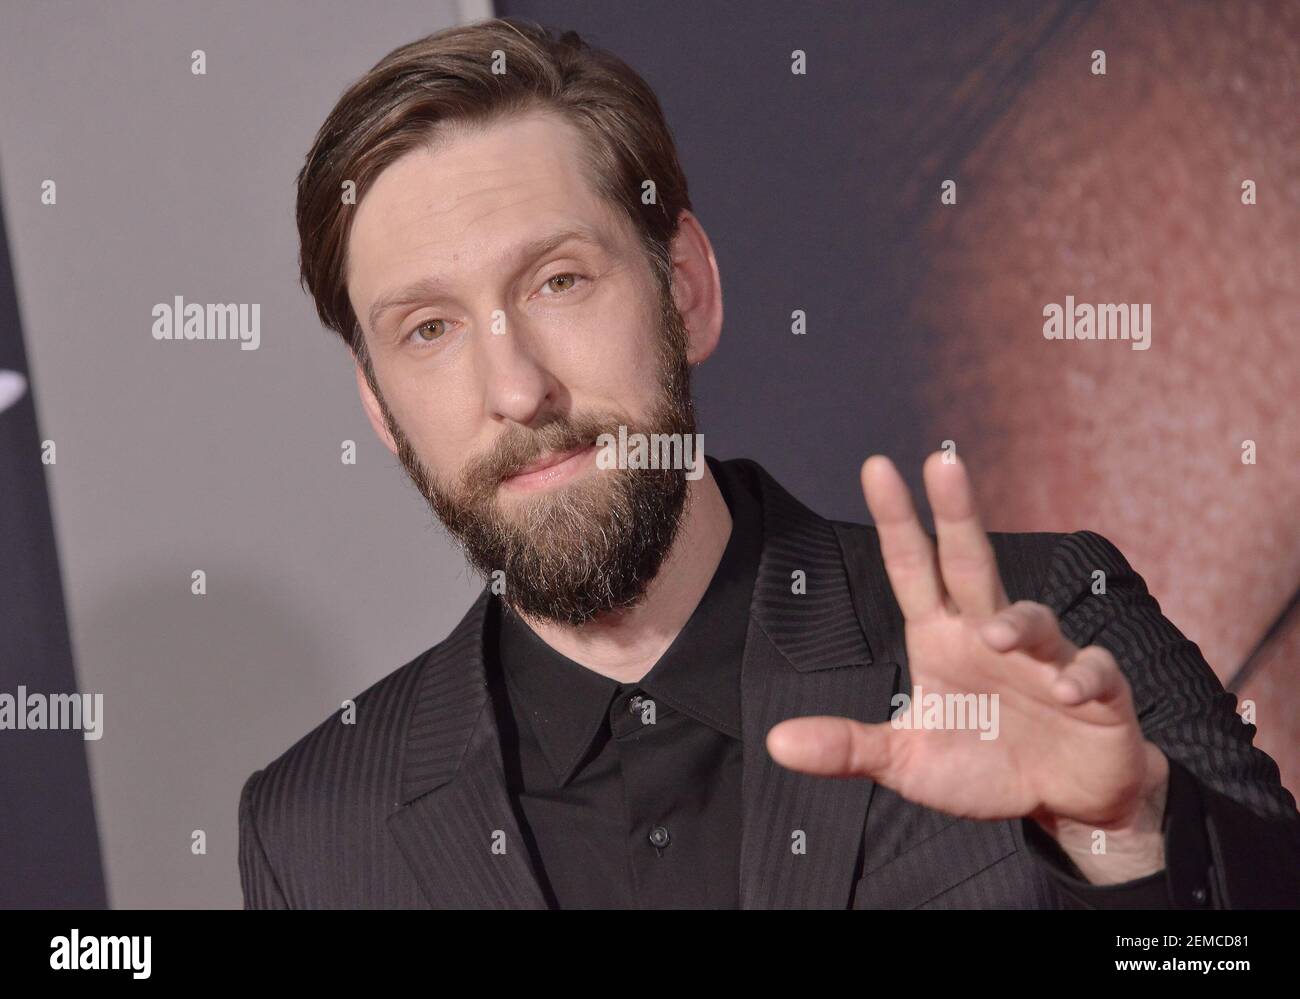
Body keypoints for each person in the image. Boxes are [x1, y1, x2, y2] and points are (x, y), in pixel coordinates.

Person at [238, 17, 1299, 909]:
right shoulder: (316, 831)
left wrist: (1122, 840)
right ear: (379, 407)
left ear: (685, 288)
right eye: (429, 329)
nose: (516, 390)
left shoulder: (1059, 620)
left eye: (559, 281)